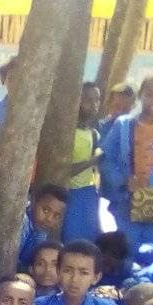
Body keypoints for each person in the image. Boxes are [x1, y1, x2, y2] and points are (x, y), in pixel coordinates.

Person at [99, 74, 153, 250]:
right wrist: (123, 180)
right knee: (127, 245)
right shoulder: (124, 124)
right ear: (140, 95)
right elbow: (106, 158)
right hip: (128, 199)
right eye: (149, 94)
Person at [64, 82, 104, 242]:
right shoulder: (66, 133)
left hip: (88, 193)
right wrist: (91, 161)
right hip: (71, 194)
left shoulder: (94, 133)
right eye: (88, 100)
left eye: (97, 100)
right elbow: (62, 171)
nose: (93, 105)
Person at [17, 185, 68, 270]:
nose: (49, 219)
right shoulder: (23, 222)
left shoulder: (42, 231)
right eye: (45, 210)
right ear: (33, 202)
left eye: (56, 215)